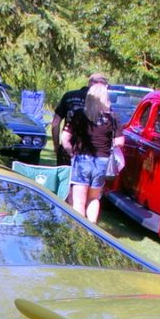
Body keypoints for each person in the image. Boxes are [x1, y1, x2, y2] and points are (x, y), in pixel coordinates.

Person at [66, 82, 123, 223]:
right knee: (94, 198)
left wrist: (70, 152)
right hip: (102, 161)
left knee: (79, 201)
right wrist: (109, 143)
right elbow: (120, 141)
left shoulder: (79, 115)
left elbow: (65, 138)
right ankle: (91, 231)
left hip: (82, 159)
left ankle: (79, 230)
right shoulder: (113, 118)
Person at [51, 72, 109, 166]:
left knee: (63, 178)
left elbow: (55, 123)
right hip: (90, 152)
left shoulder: (69, 96)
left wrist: (56, 145)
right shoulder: (102, 102)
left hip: (67, 146)